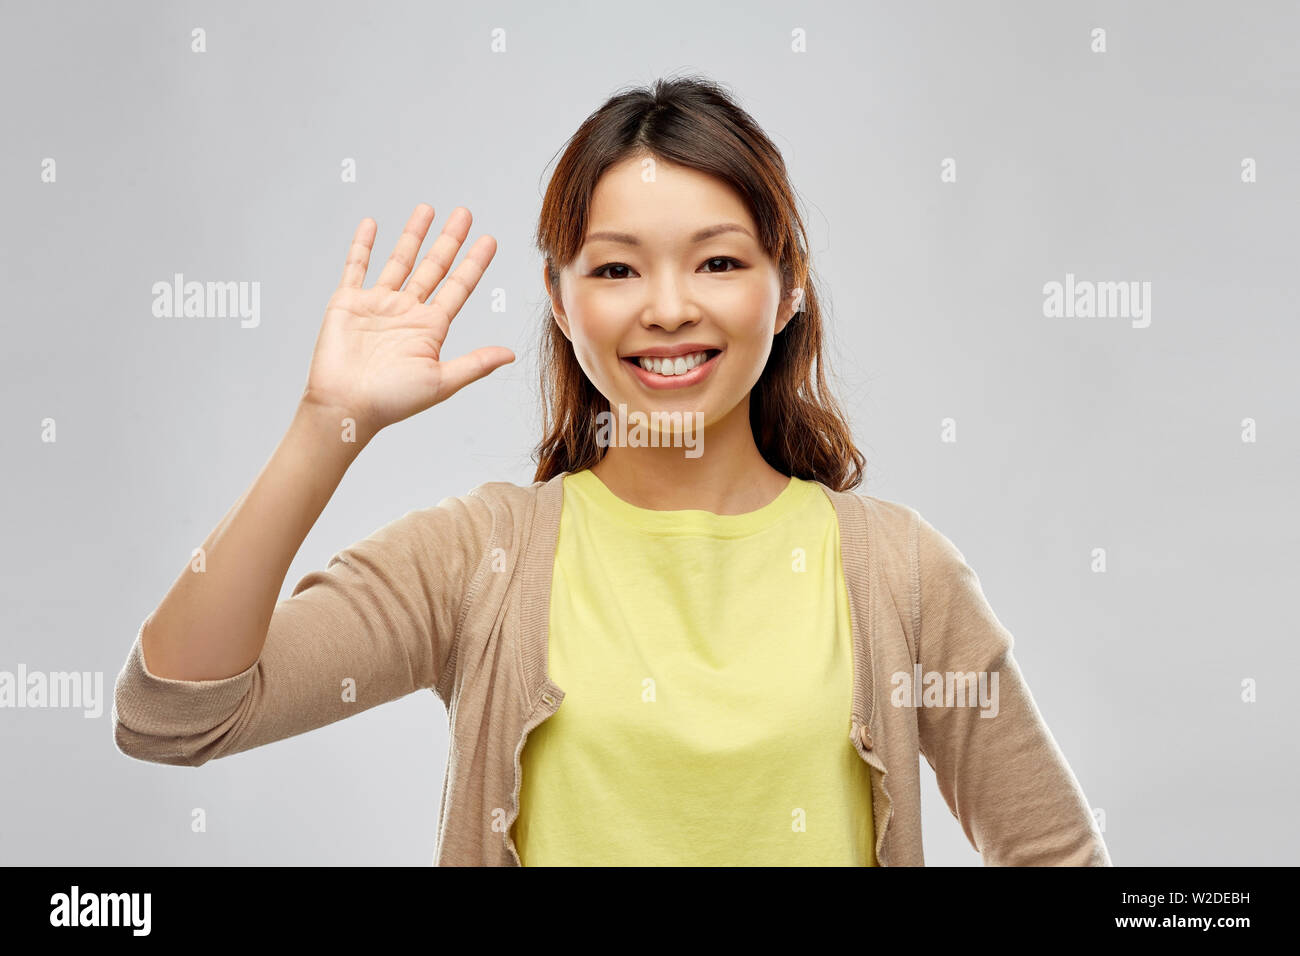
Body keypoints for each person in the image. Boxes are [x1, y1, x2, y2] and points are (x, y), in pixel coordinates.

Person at [112, 74, 1112, 867]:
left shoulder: (898, 569)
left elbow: (1053, 852)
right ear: (558, 296)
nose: (667, 306)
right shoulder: (482, 557)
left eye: (717, 262)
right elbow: (177, 714)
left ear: (788, 283)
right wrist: (326, 425)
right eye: (616, 267)